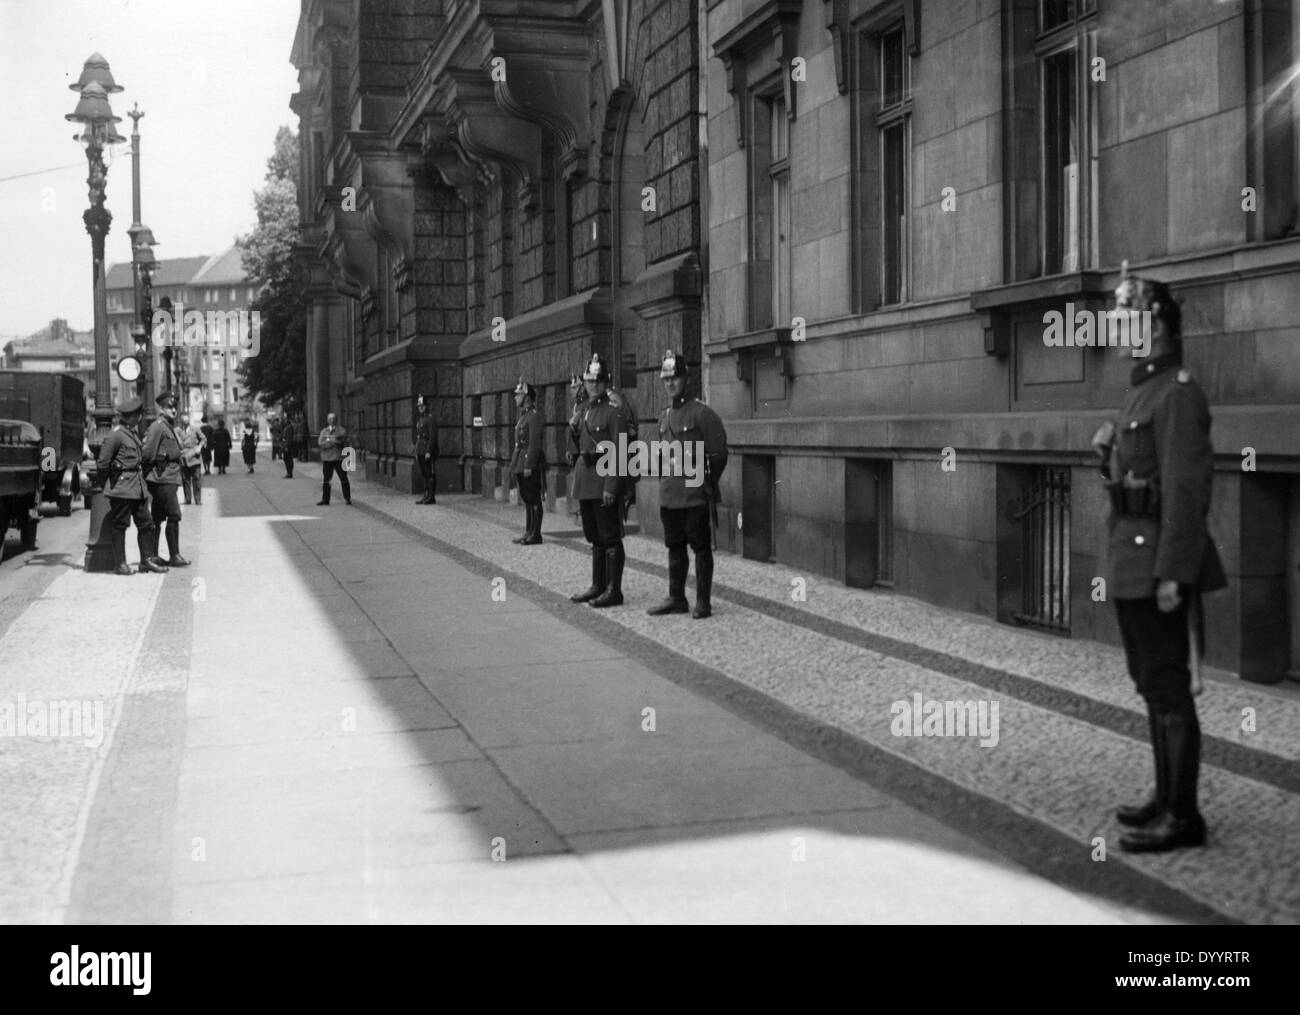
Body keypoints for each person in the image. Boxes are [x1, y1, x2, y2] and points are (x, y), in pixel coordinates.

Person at [1092, 273, 1226, 854]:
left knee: (1170, 689)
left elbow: (1187, 489)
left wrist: (1176, 570)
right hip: (1130, 559)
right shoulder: (1140, 390)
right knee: (1150, 684)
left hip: (1156, 567)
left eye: (1129, 320)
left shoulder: (1178, 392)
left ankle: (1184, 815)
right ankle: (1165, 795)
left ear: (1158, 326)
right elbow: (1137, 481)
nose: (1121, 331)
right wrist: (1108, 457)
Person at [646, 349, 729, 620]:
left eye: (675, 378)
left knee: (700, 547)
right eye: (666, 379)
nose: (670, 383)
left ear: (686, 379)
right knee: (674, 546)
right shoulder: (664, 416)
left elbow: (718, 453)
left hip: (694, 494)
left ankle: (703, 601)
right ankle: (676, 597)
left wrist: (705, 481)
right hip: (670, 494)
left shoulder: (702, 413)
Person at [568, 354, 633, 608]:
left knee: (610, 537)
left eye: (598, 381)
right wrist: (573, 430)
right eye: (589, 381)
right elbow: (580, 446)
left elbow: (620, 450)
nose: (593, 385)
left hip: (604, 480)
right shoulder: (584, 411)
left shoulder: (614, 413)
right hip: (587, 481)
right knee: (594, 536)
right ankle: (598, 585)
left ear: (606, 383)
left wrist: (611, 486)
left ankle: (614, 590)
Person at [97, 396, 164, 575]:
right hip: (122, 489)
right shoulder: (116, 434)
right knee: (120, 526)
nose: (139, 419)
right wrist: (109, 484)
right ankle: (121, 564)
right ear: (130, 416)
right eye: (137, 415)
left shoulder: (131, 433)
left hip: (137, 488)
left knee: (146, 524)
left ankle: (146, 561)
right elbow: (103, 463)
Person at [142, 390, 190, 567]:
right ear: (161, 409)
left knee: (158, 517)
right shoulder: (158, 426)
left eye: (174, 407)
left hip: (166, 478)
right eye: (169, 407)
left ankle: (154, 555)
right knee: (174, 515)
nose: (174, 410)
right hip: (162, 479)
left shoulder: (166, 426)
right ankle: (174, 555)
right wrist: (154, 469)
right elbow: (147, 453)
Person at [509, 379, 545, 543]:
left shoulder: (534, 416)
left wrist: (529, 465)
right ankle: (528, 531)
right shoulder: (524, 416)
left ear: (527, 397)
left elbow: (534, 444)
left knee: (533, 497)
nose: (515, 398)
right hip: (520, 461)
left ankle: (536, 534)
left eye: (518, 395)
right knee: (527, 498)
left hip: (529, 463)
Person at [317, 412, 352, 505]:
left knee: (343, 478)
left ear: (336, 420)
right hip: (327, 459)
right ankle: (325, 499)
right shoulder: (324, 431)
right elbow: (321, 443)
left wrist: (331, 441)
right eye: (330, 419)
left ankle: (347, 498)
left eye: (334, 418)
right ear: (327, 420)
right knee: (326, 479)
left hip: (338, 458)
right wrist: (332, 442)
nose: (332, 420)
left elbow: (345, 443)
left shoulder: (342, 431)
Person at [413, 394, 438, 504]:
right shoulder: (421, 420)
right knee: (424, 474)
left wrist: (429, 451)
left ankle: (431, 497)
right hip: (421, 450)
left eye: (422, 406)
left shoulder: (430, 419)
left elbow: (432, 437)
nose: (420, 408)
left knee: (430, 473)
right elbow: (419, 437)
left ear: (427, 406)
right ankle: (426, 495)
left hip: (428, 451)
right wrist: (417, 451)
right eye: (419, 406)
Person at [177, 411, 205, 506]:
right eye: (183, 419)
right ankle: (187, 499)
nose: (185, 421)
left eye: (186, 418)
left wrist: (199, 447)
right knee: (185, 480)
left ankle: (198, 499)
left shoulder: (196, 429)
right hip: (183, 457)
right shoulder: (177, 431)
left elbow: (204, 439)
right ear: (180, 420)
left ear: (189, 419)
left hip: (194, 457)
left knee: (197, 479)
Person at [281, 412, 299, 478]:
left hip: (287, 446)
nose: (284, 420)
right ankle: (288, 472)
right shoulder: (287, 427)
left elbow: (288, 438)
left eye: (285, 419)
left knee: (288, 459)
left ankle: (289, 473)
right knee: (286, 459)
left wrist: (286, 447)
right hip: (286, 445)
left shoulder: (289, 428)